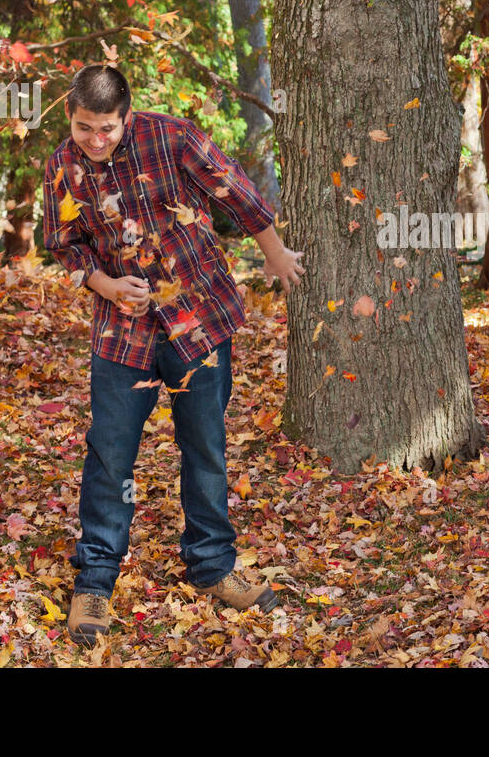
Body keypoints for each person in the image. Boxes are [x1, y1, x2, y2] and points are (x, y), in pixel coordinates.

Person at [42, 64, 305, 646]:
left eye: (106, 127)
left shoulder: (172, 137)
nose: (96, 140)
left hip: (197, 320)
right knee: (110, 457)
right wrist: (105, 285)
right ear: (70, 115)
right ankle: (95, 581)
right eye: (85, 127)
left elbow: (236, 192)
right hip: (122, 334)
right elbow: (62, 246)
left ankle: (213, 565)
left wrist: (276, 254)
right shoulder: (62, 165)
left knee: (205, 447)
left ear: (126, 114)